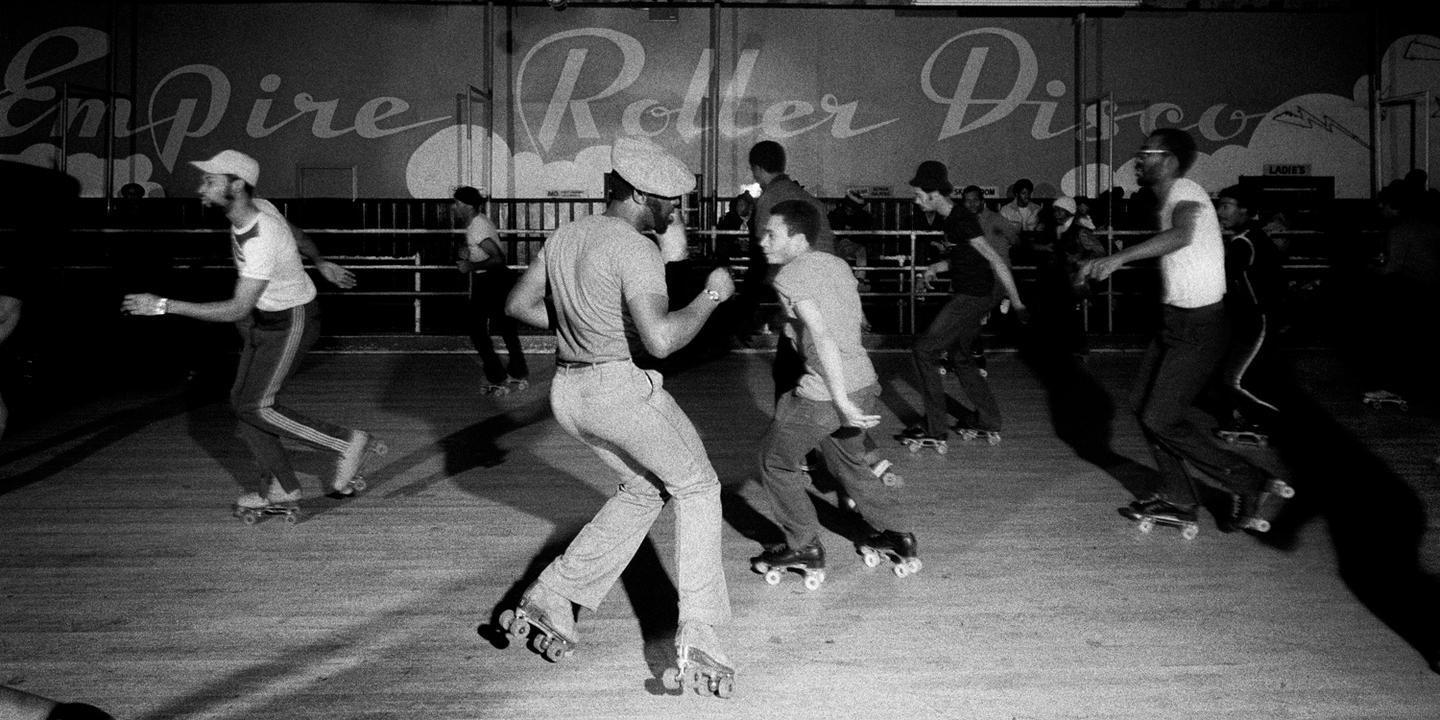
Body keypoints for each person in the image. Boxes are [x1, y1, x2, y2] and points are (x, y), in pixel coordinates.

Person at [502, 136, 736, 694]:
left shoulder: (566, 235)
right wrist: (711, 297)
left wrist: (584, 323)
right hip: (615, 392)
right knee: (699, 487)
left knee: (643, 490)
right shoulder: (635, 248)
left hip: (568, 394)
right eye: (669, 200)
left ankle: (554, 595)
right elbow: (661, 341)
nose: (675, 210)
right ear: (637, 195)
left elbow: (517, 305)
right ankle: (701, 630)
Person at [121, 150, 382, 513]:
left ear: (237, 185)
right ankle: (284, 488)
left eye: (210, 181)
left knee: (257, 406)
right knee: (242, 404)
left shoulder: (261, 237)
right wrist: (321, 262)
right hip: (265, 318)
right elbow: (298, 236)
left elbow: (236, 309)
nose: (201, 188)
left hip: (293, 319)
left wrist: (163, 305)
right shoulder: (260, 207)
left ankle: (348, 443)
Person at [1077, 129, 1293, 533]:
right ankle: (1178, 496)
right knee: (1144, 406)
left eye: (1148, 153)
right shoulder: (1168, 198)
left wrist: (1117, 259)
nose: (1139, 159)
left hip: (1200, 325)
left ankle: (1249, 481)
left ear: (1170, 160)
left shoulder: (1186, 191)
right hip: (1175, 322)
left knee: (1160, 417)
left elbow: (1182, 234)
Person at [749, 199, 917, 584]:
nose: (763, 241)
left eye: (772, 234)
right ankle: (898, 534)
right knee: (847, 462)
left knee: (774, 460)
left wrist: (839, 400)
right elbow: (846, 319)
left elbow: (823, 335)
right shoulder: (837, 265)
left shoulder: (790, 275)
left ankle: (803, 545)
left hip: (827, 392)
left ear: (798, 239)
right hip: (864, 381)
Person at [900, 161, 1026, 447]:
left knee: (923, 350)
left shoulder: (961, 219)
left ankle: (934, 428)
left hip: (975, 295)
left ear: (934, 194)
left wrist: (1018, 303)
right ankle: (988, 419)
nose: (916, 201)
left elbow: (995, 259)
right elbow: (965, 258)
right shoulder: (951, 220)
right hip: (978, 292)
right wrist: (935, 267)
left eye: (919, 195)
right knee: (961, 356)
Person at [743, 140, 834, 400]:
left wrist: (747, 309)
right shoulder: (810, 199)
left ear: (757, 169)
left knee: (787, 370)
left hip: (799, 293)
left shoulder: (769, 200)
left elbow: (762, 258)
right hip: (827, 288)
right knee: (806, 365)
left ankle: (791, 421)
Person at [1209, 184, 1285, 442]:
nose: (1220, 212)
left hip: (1257, 320)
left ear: (1245, 210)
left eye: (1226, 206)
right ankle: (1246, 418)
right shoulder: (1252, 237)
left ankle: (1279, 423)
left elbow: (1223, 279)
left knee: (1234, 379)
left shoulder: (1244, 242)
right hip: (1251, 318)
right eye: (1219, 206)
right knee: (1239, 375)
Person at [453, 186, 528, 395]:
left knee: (476, 328)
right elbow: (485, 251)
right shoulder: (479, 221)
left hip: (490, 279)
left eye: (457, 204)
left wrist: (470, 266)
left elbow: (497, 258)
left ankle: (496, 375)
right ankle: (517, 371)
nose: (454, 207)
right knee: (505, 326)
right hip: (497, 279)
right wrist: (469, 253)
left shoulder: (476, 227)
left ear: (468, 206)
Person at [1028, 196, 1106, 357]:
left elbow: (1099, 251)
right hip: (1052, 276)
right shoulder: (1052, 229)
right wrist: (1044, 248)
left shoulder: (1080, 232)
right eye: (1055, 210)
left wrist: (1079, 261)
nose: (1056, 214)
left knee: (1070, 313)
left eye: (1060, 211)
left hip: (1072, 278)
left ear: (1069, 212)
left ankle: (1078, 346)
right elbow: (1034, 245)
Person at [960, 185, 1019, 377]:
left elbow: (1015, 238)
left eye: (975, 200)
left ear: (982, 201)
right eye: (967, 200)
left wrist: (1000, 249)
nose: (971, 204)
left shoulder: (996, 219)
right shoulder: (964, 221)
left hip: (995, 275)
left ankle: (975, 357)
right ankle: (969, 355)